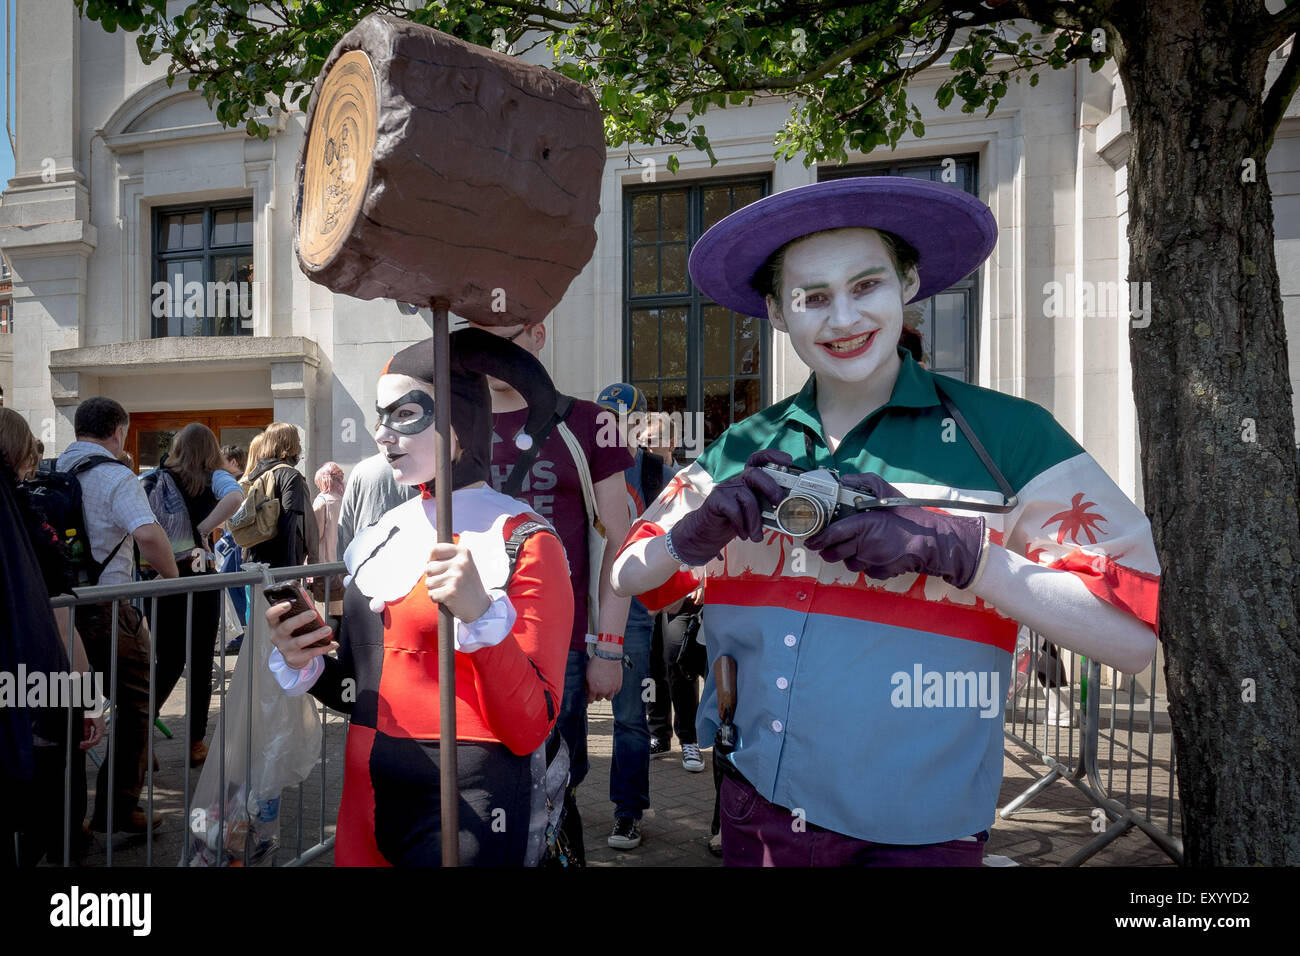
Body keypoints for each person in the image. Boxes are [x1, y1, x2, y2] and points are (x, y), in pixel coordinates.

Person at [611, 177, 1160, 867]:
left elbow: (1132, 643)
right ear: (778, 313)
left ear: (908, 282)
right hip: (757, 810)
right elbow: (631, 574)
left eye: (865, 285)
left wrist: (963, 550)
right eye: (812, 298)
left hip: (919, 834)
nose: (842, 319)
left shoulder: (1010, 438)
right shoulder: (742, 446)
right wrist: (687, 536)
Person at [265, 329, 573, 866]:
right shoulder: (380, 534)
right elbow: (362, 693)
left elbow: (531, 725)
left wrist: (482, 617)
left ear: (460, 423)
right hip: (365, 795)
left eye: (405, 415)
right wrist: (308, 659)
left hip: (471, 803)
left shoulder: (524, 541)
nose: (382, 434)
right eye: (380, 416)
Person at [470, 319, 633, 865]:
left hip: (555, 642)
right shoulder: (454, 420)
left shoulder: (588, 422)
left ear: (538, 335)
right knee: (477, 775)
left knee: (554, 777)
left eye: (508, 337)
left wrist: (608, 648)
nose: (495, 353)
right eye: (480, 337)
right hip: (467, 630)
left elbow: (620, 541)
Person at [58, 397, 180, 834]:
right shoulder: (115, 475)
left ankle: (65, 825)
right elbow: (147, 534)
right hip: (108, 611)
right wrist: (172, 576)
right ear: (117, 432)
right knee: (135, 708)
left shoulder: (51, 472)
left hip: (58, 614)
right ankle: (117, 810)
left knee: (67, 710)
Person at [0, 409, 103, 864]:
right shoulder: (22, 520)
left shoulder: (20, 509)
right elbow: (59, 615)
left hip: (28, 687)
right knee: (46, 804)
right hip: (31, 690)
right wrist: (89, 700)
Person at [147, 423, 244, 766]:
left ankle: (141, 738)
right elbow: (236, 497)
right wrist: (202, 530)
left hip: (160, 580)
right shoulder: (213, 477)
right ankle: (195, 742)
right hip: (199, 578)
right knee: (201, 661)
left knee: (167, 661)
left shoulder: (159, 476)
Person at [593, 383, 659, 850]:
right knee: (562, 710)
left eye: (623, 420)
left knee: (630, 716)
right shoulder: (580, 464)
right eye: (606, 419)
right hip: (575, 603)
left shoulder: (655, 470)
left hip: (631, 608)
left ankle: (627, 812)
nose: (613, 428)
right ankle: (556, 802)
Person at [241, 422, 319, 570]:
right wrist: (290, 571)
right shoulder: (291, 476)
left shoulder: (254, 474)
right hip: (282, 563)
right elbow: (291, 524)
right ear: (291, 445)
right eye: (297, 441)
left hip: (254, 558)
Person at [336, 445, 418, 558]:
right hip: (410, 555)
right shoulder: (421, 470)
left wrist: (342, 565)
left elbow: (345, 525)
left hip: (367, 557)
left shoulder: (361, 470)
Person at [310, 461, 346, 622]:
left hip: (325, 566)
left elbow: (315, 536)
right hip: (343, 565)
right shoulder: (345, 500)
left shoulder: (321, 502)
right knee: (341, 613)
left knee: (326, 615)